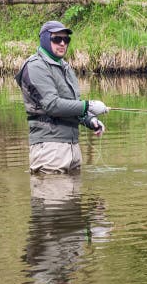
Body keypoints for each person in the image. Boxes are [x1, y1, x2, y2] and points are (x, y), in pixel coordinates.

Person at [16, 20, 110, 174]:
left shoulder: (65, 67)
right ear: (45, 40)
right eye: (57, 39)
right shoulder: (35, 66)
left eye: (66, 39)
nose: (62, 43)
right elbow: (52, 105)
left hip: (72, 147)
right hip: (49, 150)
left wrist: (89, 119)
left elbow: (71, 105)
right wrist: (89, 105)